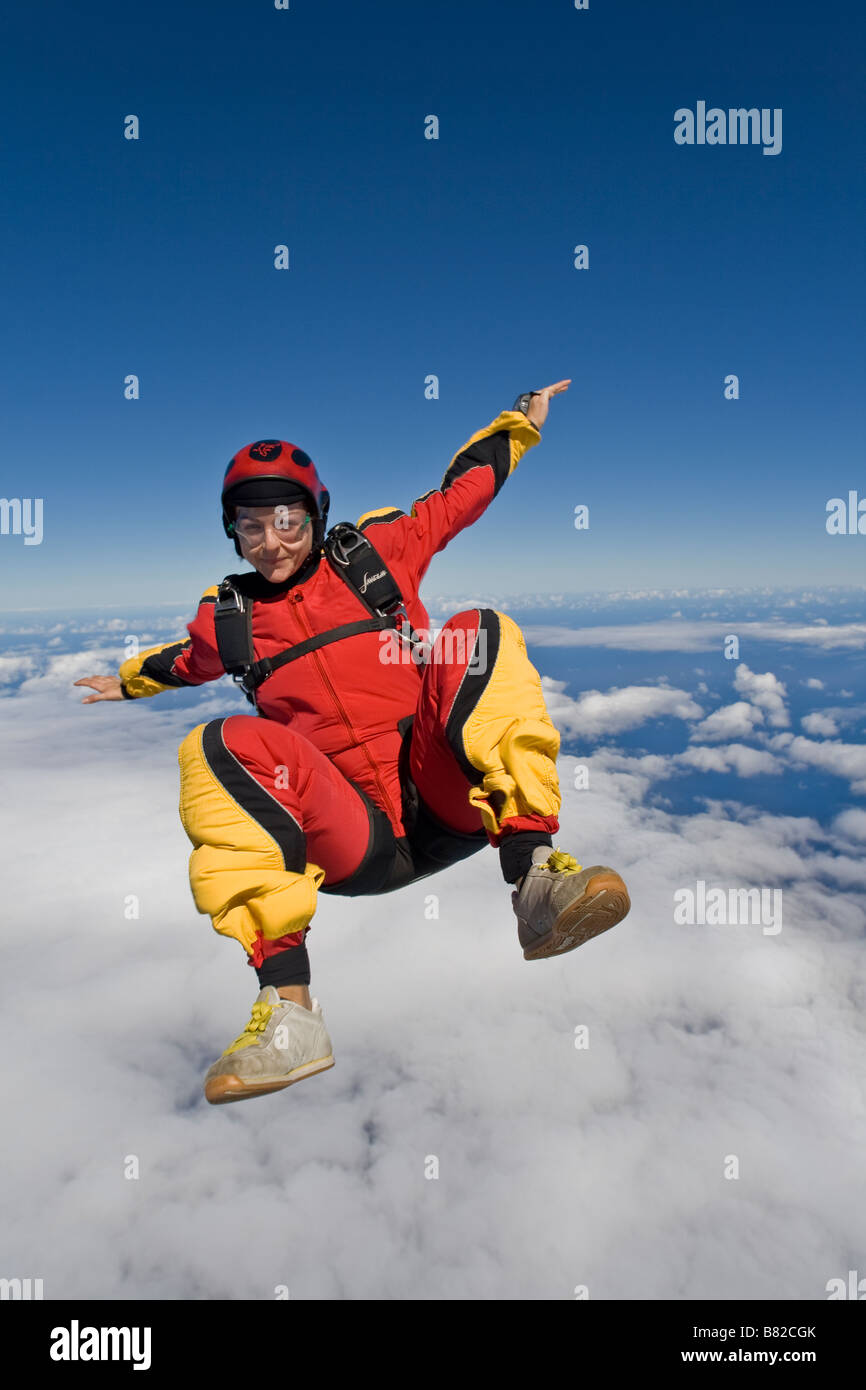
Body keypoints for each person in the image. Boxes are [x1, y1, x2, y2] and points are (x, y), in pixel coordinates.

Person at [75, 380, 630, 1105]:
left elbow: (463, 492)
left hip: (444, 795)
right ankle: (290, 1014)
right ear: (232, 533)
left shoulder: (375, 557)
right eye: (251, 527)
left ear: (316, 515)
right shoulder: (230, 620)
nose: (271, 541)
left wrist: (519, 424)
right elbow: (184, 662)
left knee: (478, 632)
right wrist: (126, 681)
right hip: (352, 840)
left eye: (288, 520)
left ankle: (535, 881)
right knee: (217, 745)